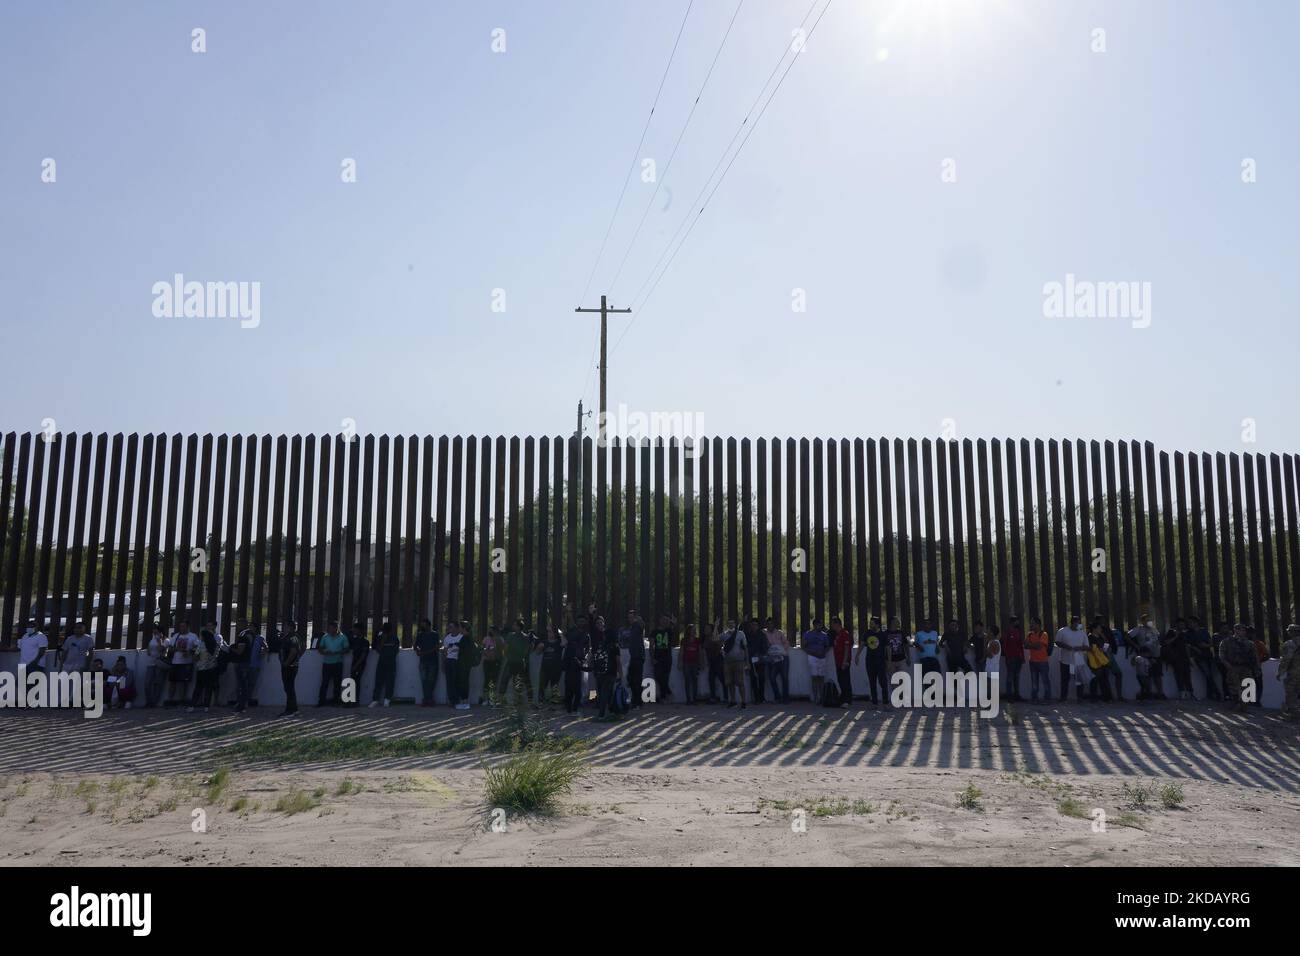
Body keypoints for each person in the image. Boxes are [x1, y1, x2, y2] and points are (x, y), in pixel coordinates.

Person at [1219, 623, 1260, 713]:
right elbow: (1222, 655)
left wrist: (1256, 669)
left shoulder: (1249, 643)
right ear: (1235, 630)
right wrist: (1227, 665)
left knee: (1248, 687)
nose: (1243, 632)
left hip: (1246, 667)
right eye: (1240, 630)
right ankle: (1235, 705)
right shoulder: (1227, 641)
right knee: (1234, 687)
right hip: (1233, 667)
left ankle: (1244, 707)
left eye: (1244, 630)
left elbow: (1255, 658)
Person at [590, 615, 622, 719]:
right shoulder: (614, 647)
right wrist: (620, 673)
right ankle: (603, 712)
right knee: (606, 692)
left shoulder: (601, 645)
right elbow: (618, 661)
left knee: (603, 692)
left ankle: (606, 711)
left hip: (600, 671)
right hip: (609, 671)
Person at [1127, 614, 1166, 699]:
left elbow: (1158, 639)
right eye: (1147, 620)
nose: (1149, 622)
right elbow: (1127, 636)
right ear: (1143, 621)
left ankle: (1160, 693)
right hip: (1145, 656)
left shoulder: (1154, 629)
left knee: (1158, 675)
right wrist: (1136, 646)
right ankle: (1146, 693)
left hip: (1156, 654)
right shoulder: (1138, 629)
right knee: (1145, 676)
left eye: (1150, 620)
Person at [1054, 613, 1090, 702]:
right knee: (1065, 680)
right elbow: (1057, 642)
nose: (1077, 625)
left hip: (1078, 660)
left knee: (1079, 680)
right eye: (1075, 623)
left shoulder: (1082, 632)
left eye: (1078, 623)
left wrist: (1079, 648)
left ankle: (1080, 697)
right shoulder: (1062, 631)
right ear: (1071, 623)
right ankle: (1063, 697)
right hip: (1065, 660)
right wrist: (1066, 646)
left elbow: (1087, 647)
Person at [855, 615, 888, 708]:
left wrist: (888, 661)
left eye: (872, 623)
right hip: (870, 661)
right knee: (872, 682)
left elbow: (887, 648)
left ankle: (885, 702)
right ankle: (874, 702)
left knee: (883, 682)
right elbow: (862, 645)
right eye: (870, 623)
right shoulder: (867, 633)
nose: (870, 625)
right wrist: (857, 655)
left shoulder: (883, 635)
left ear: (877, 625)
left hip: (881, 661)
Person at [231, 621, 264, 712]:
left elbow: (265, 647)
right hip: (246, 662)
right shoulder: (245, 635)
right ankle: (240, 702)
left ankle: (244, 702)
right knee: (241, 684)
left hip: (252, 663)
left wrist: (262, 652)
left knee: (249, 684)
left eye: (251, 626)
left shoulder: (258, 638)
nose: (250, 628)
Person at [499, 619, 533, 706]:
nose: (513, 626)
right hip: (520, 662)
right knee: (518, 681)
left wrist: (506, 655)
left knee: (505, 680)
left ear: (518, 627)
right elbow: (527, 649)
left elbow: (506, 647)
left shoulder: (511, 635)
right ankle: (518, 700)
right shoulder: (525, 637)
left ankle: (502, 699)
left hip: (511, 661)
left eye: (515, 625)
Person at [187, 629, 222, 712]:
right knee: (209, 688)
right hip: (212, 668)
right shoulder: (215, 645)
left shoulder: (201, 645)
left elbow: (196, 657)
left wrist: (191, 654)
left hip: (201, 668)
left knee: (198, 688)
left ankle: (192, 706)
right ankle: (206, 706)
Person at [1185, 616, 1220, 701]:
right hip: (1198, 656)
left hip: (1207, 654)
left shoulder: (1204, 631)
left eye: (1191, 622)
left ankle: (1211, 694)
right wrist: (1195, 649)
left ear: (1196, 623)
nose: (1189, 624)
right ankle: (1217, 693)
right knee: (1208, 674)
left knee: (1210, 675)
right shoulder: (1188, 633)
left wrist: (1206, 645)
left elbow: (1210, 642)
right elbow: (1187, 645)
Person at [316, 620, 348, 706]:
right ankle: (321, 701)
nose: (330, 630)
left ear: (336, 628)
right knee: (324, 682)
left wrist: (338, 652)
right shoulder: (325, 637)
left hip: (338, 663)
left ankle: (336, 701)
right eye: (329, 628)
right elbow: (320, 648)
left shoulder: (343, 637)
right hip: (327, 663)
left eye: (332, 628)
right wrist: (325, 652)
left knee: (337, 683)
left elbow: (346, 649)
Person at [1162, 620, 1195, 700]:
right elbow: (1166, 642)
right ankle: (1182, 693)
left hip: (1185, 657)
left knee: (1187, 675)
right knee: (1179, 676)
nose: (1182, 626)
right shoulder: (1171, 632)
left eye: (1183, 624)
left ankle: (1190, 693)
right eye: (1180, 624)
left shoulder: (1185, 634)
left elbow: (1187, 646)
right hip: (1176, 657)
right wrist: (1176, 636)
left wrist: (1189, 658)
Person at [166, 620, 197, 705]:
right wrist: (178, 649)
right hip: (175, 662)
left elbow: (197, 647)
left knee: (184, 683)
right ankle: (170, 700)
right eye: (180, 626)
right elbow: (171, 648)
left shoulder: (193, 636)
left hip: (187, 662)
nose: (182, 628)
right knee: (172, 682)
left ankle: (182, 700)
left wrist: (189, 651)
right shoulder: (176, 636)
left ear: (188, 627)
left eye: (183, 626)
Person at [369, 621, 400, 707]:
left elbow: (396, 651)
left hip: (391, 662)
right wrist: (382, 641)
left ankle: (387, 699)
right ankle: (375, 699)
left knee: (390, 681)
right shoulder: (380, 637)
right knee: (378, 680)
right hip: (382, 661)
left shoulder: (394, 638)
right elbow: (377, 649)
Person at [620, 609, 646, 709]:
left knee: (636, 680)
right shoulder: (631, 628)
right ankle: (636, 701)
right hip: (634, 656)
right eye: (628, 617)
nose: (629, 619)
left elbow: (643, 625)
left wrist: (639, 620)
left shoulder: (637, 626)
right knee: (631, 679)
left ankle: (638, 702)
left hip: (638, 656)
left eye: (631, 617)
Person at [802, 619, 830, 704]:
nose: (819, 627)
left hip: (822, 657)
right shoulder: (808, 634)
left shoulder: (824, 635)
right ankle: (815, 697)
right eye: (818, 625)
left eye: (820, 625)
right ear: (814, 625)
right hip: (812, 657)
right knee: (814, 677)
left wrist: (823, 653)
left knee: (821, 677)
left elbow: (827, 646)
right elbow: (803, 646)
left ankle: (821, 697)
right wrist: (811, 652)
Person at [414, 619, 441, 707]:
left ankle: (428, 699)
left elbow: (437, 647)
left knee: (431, 680)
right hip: (423, 660)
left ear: (428, 625)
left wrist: (425, 652)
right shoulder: (420, 635)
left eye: (423, 625)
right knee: (424, 680)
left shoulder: (435, 634)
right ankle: (428, 699)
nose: (422, 627)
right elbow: (416, 645)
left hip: (432, 661)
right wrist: (418, 650)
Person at [649, 614, 676, 703]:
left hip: (667, 658)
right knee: (658, 676)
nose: (665, 622)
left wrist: (673, 623)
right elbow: (651, 645)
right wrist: (652, 658)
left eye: (667, 620)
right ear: (660, 620)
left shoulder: (669, 631)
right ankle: (667, 692)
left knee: (665, 677)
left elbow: (673, 636)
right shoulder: (654, 631)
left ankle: (663, 697)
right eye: (663, 620)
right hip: (658, 657)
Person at [278, 624, 303, 717]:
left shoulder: (292, 638)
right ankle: (292, 708)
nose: (283, 628)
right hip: (289, 666)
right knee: (288, 688)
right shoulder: (288, 637)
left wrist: (286, 663)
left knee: (289, 688)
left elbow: (293, 651)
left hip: (290, 666)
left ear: (290, 628)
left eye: (285, 627)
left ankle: (291, 710)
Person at [441, 621, 468, 710]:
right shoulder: (447, 638)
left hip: (457, 661)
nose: (450, 629)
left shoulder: (461, 637)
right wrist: (444, 663)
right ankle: (451, 700)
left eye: (452, 627)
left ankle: (458, 699)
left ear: (457, 628)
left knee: (456, 680)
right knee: (449, 681)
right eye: (449, 627)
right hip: (449, 660)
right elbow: (445, 651)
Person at [723, 619, 749, 709]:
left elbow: (745, 648)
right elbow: (714, 638)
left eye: (732, 623)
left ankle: (743, 701)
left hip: (739, 661)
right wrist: (715, 626)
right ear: (727, 625)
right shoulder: (725, 634)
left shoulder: (741, 634)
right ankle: (733, 701)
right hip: (728, 661)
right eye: (729, 623)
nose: (731, 625)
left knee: (740, 682)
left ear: (735, 624)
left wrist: (747, 662)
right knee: (730, 683)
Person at [537, 623, 565, 706]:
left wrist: (561, 634)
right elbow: (537, 653)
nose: (549, 633)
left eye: (551, 632)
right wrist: (539, 647)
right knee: (542, 685)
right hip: (545, 668)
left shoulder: (559, 642)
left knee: (554, 686)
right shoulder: (544, 642)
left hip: (556, 668)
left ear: (555, 633)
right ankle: (540, 701)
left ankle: (553, 702)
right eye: (548, 632)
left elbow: (565, 643)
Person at [1024, 617, 1051, 702]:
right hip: (1032, 661)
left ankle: (1047, 699)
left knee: (1045, 681)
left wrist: (1031, 644)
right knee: (1034, 682)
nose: (1030, 625)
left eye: (1032, 623)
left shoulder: (1044, 634)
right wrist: (1034, 645)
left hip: (1043, 661)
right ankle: (1034, 698)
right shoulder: (1029, 634)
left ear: (1038, 624)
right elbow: (1025, 646)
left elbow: (1039, 646)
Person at [561, 620, 586, 714]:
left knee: (574, 692)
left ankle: (572, 708)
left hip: (575, 670)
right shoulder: (571, 645)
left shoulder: (578, 643)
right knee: (571, 691)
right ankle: (571, 708)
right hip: (571, 670)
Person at [142, 624, 169, 707]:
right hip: (150, 663)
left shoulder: (166, 640)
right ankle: (148, 701)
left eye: (156, 632)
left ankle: (154, 702)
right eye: (154, 632)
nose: (155, 634)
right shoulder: (152, 639)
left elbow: (162, 651)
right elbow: (149, 649)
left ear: (161, 632)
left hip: (159, 663)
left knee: (157, 683)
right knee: (147, 683)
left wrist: (159, 641)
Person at [764, 617, 790, 703]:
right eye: (768, 624)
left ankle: (785, 698)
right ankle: (777, 697)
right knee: (772, 678)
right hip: (772, 659)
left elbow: (786, 643)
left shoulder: (780, 633)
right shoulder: (764, 633)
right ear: (766, 624)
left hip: (783, 658)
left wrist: (781, 650)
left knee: (785, 678)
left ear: (774, 624)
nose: (770, 625)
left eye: (771, 623)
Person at [883, 616, 909, 699]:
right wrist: (886, 661)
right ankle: (897, 697)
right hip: (890, 660)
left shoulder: (901, 633)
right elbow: (884, 647)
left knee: (902, 678)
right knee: (893, 680)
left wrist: (908, 657)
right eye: (897, 621)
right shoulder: (885, 634)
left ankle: (902, 696)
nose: (898, 622)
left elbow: (906, 645)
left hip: (901, 659)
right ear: (892, 622)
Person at [1085, 622, 1113, 702]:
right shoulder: (1090, 637)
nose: (1100, 629)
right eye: (1099, 628)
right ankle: (1093, 697)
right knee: (1095, 679)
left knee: (1104, 679)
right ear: (1094, 629)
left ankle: (1106, 697)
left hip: (1103, 660)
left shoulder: (1101, 637)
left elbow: (1105, 647)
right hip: (1094, 661)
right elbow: (1091, 649)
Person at [1278, 624, 1300, 721]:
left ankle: (1293, 714)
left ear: (1292, 632)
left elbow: (1287, 659)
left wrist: (1280, 672)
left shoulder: (1289, 644)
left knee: (1291, 693)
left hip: (1294, 673)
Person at [830, 617, 852, 707]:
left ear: (837, 624)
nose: (832, 626)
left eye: (833, 624)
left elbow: (846, 648)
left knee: (845, 680)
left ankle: (847, 700)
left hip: (843, 661)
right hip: (838, 661)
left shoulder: (844, 633)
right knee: (840, 680)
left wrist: (844, 661)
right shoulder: (837, 634)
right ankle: (843, 698)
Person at [1002, 615, 1024, 701]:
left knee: (1016, 676)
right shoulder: (1007, 632)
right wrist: (1008, 657)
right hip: (1011, 658)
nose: (1018, 623)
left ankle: (1017, 695)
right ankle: (1009, 695)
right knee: (1010, 677)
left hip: (1018, 657)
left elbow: (1020, 645)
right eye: (1016, 621)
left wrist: (1022, 657)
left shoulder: (1018, 632)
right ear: (1012, 622)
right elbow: (1005, 645)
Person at [347, 622, 370, 707]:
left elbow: (363, 656)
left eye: (355, 629)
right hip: (354, 663)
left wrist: (356, 665)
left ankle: (355, 701)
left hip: (359, 664)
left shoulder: (365, 641)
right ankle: (351, 700)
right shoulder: (355, 640)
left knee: (356, 682)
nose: (354, 631)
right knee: (352, 682)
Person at [679, 624, 702, 703]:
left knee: (695, 681)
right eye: (693, 629)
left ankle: (694, 699)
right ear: (689, 630)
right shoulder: (684, 640)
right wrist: (680, 662)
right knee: (687, 681)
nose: (694, 631)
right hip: (686, 663)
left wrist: (700, 662)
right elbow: (681, 652)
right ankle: (688, 699)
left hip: (695, 663)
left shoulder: (697, 640)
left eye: (695, 629)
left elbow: (699, 652)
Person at [480, 626, 504, 705]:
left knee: (494, 680)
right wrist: (486, 653)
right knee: (486, 679)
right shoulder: (486, 639)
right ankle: (485, 699)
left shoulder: (500, 639)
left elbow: (501, 650)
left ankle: (492, 699)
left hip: (496, 662)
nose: (490, 632)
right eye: (489, 630)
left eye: (492, 630)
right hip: (487, 661)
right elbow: (482, 648)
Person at [703, 622, 725, 703]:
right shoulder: (705, 638)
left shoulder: (714, 637)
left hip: (718, 660)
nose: (705, 630)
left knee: (722, 678)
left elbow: (719, 644)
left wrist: (716, 626)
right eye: (705, 629)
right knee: (711, 679)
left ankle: (725, 697)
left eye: (707, 629)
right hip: (712, 661)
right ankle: (713, 697)